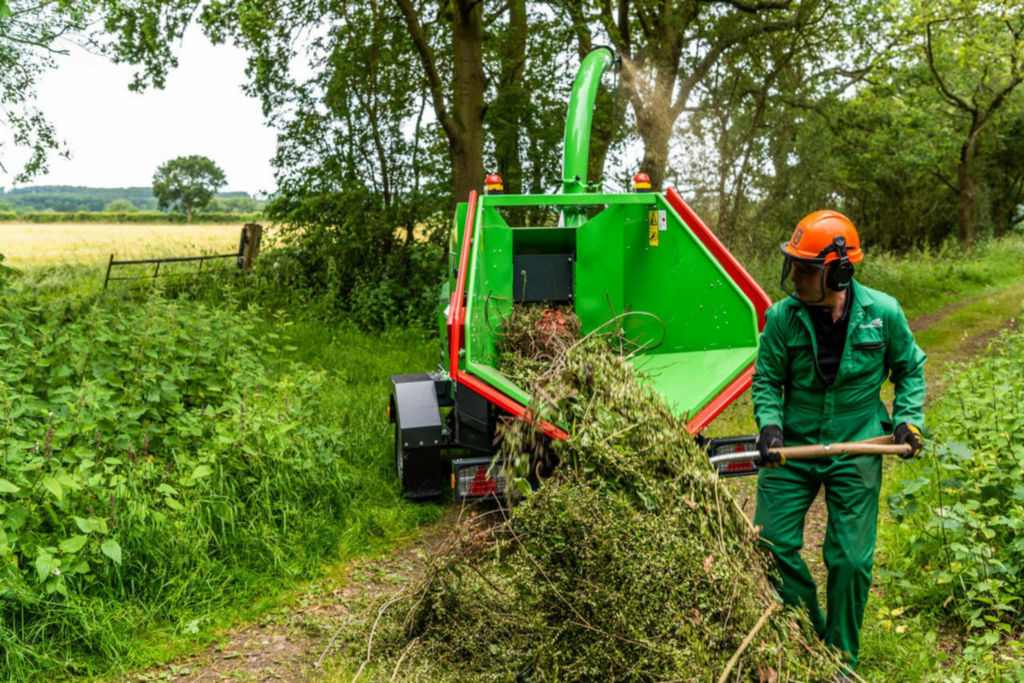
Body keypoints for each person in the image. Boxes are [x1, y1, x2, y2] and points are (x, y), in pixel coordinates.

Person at [751, 210, 926, 670]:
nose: (796, 277)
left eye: (806, 269)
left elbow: (910, 368)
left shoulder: (883, 314)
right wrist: (769, 424)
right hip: (794, 445)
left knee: (849, 560)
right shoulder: (782, 318)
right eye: (794, 265)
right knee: (770, 543)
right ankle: (810, 636)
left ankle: (840, 660)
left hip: (858, 443)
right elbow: (767, 380)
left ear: (839, 271)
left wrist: (907, 420)